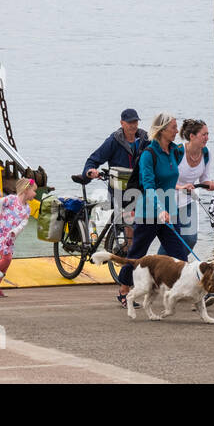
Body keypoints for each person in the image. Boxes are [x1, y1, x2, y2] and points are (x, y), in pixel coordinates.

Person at [115, 111, 188, 308]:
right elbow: (148, 186)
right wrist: (160, 209)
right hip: (149, 213)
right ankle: (123, 290)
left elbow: (170, 179)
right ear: (163, 130)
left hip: (169, 213)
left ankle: (189, 292)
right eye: (173, 127)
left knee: (179, 254)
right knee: (138, 253)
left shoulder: (175, 151)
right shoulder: (149, 154)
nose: (176, 131)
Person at [83, 108, 147, 298]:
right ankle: (129, 263)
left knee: (142, 226)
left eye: (135, 122)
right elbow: (94, 158)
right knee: (129, 225)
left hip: (139, 189)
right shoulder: (114, 140)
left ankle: (130, 256)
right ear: (122, 123)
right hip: (118, 190)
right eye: (129, 123)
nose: (133, 126)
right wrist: (90, 171)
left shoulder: (143, 139)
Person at [159, 118, 214, 256]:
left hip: (187, 202)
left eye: (208, 134)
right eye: (204, 134)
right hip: (168, 201)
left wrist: (212, 184)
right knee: (171, 240)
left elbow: (204, 179)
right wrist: (181, 187)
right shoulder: (177, 152)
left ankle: (176, 266)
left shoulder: (206, 153)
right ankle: (160, 266)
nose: (207, 138)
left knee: (190, 239)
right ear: (192, 136)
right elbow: (163, 179)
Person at [0, 177, 37, 296]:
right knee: (7, 259)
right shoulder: (11, 199)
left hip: (10, 238)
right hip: (0, 233)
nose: (35, 194)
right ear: (26, 190)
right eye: (34, 190)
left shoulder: (27, 209)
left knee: (7, 261)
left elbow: (23, 223)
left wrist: (14, 232)